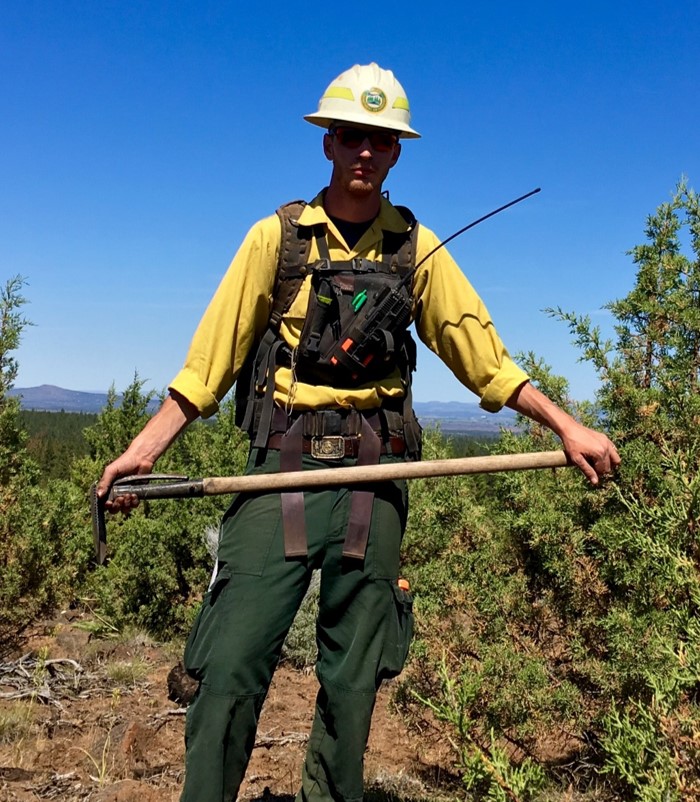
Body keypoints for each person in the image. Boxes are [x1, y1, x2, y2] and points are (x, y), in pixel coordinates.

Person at [97, 63, 620, 802]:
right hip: (279, 470)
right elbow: (207, 367)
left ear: (397, 150)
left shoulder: (416, 248)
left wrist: (567, 425)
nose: (365, 151)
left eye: (380, 139)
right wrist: (141, 454)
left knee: (353, 680)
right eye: (351, 135)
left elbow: (485, 359)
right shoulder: (276, 240)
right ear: (328, 143)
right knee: (231, 663)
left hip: (379, 476)